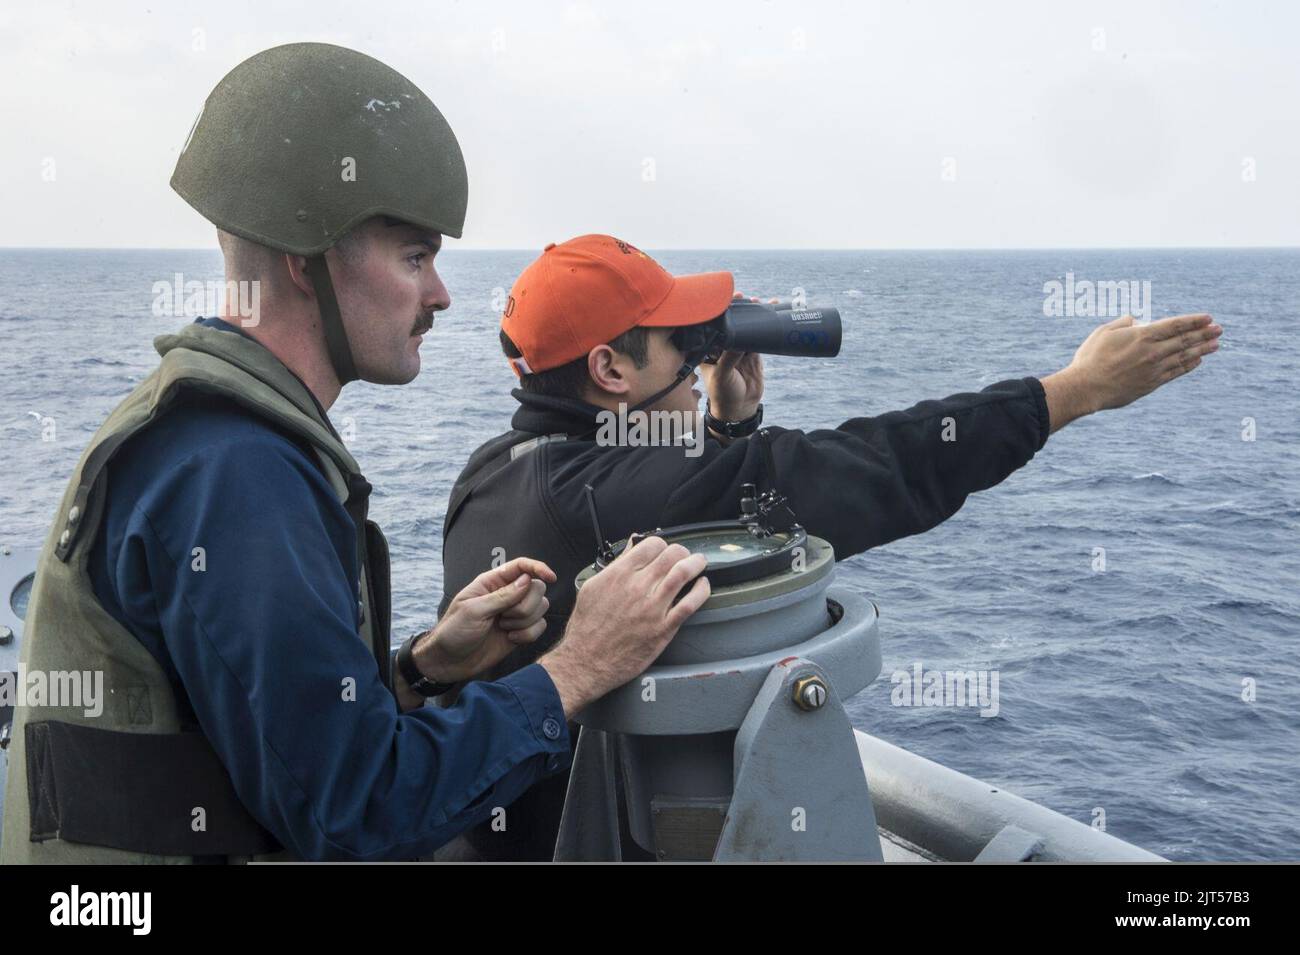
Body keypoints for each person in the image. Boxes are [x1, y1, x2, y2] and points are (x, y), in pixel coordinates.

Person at [0, 47, 711, 864]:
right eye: (414, 257)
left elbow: (274, 750)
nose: (441, 294)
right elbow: (358, 814)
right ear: (309, 264)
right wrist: (578, 666)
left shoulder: (211, 433)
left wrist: (420, 668)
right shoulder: (236, 473)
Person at [437, 233, 1223, 860]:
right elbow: (882, 464)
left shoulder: (493, 472)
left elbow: (665, 501)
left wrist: (725, 429)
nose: (697, 364)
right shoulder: (623, 490)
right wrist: (1075, 390)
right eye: (683, 346)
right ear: (610, 369)